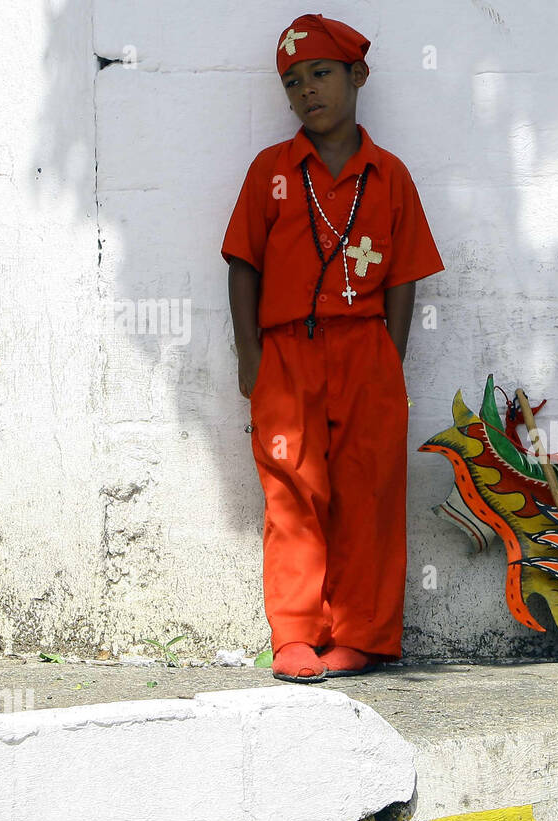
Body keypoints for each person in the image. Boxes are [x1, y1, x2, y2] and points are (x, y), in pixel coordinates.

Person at [222, 14, 443, 683]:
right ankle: (295, 632)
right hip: (287, 355)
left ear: (357, 76)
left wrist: (389, 359)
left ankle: (364, 634)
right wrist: (250, 358)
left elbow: (404, 276)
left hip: (366, 352)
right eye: (293, 81)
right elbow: (242, 264)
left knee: (368, 492)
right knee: (293, 492)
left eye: (320, 73)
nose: (307, 90)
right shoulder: (272, 173)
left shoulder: (391, 176)